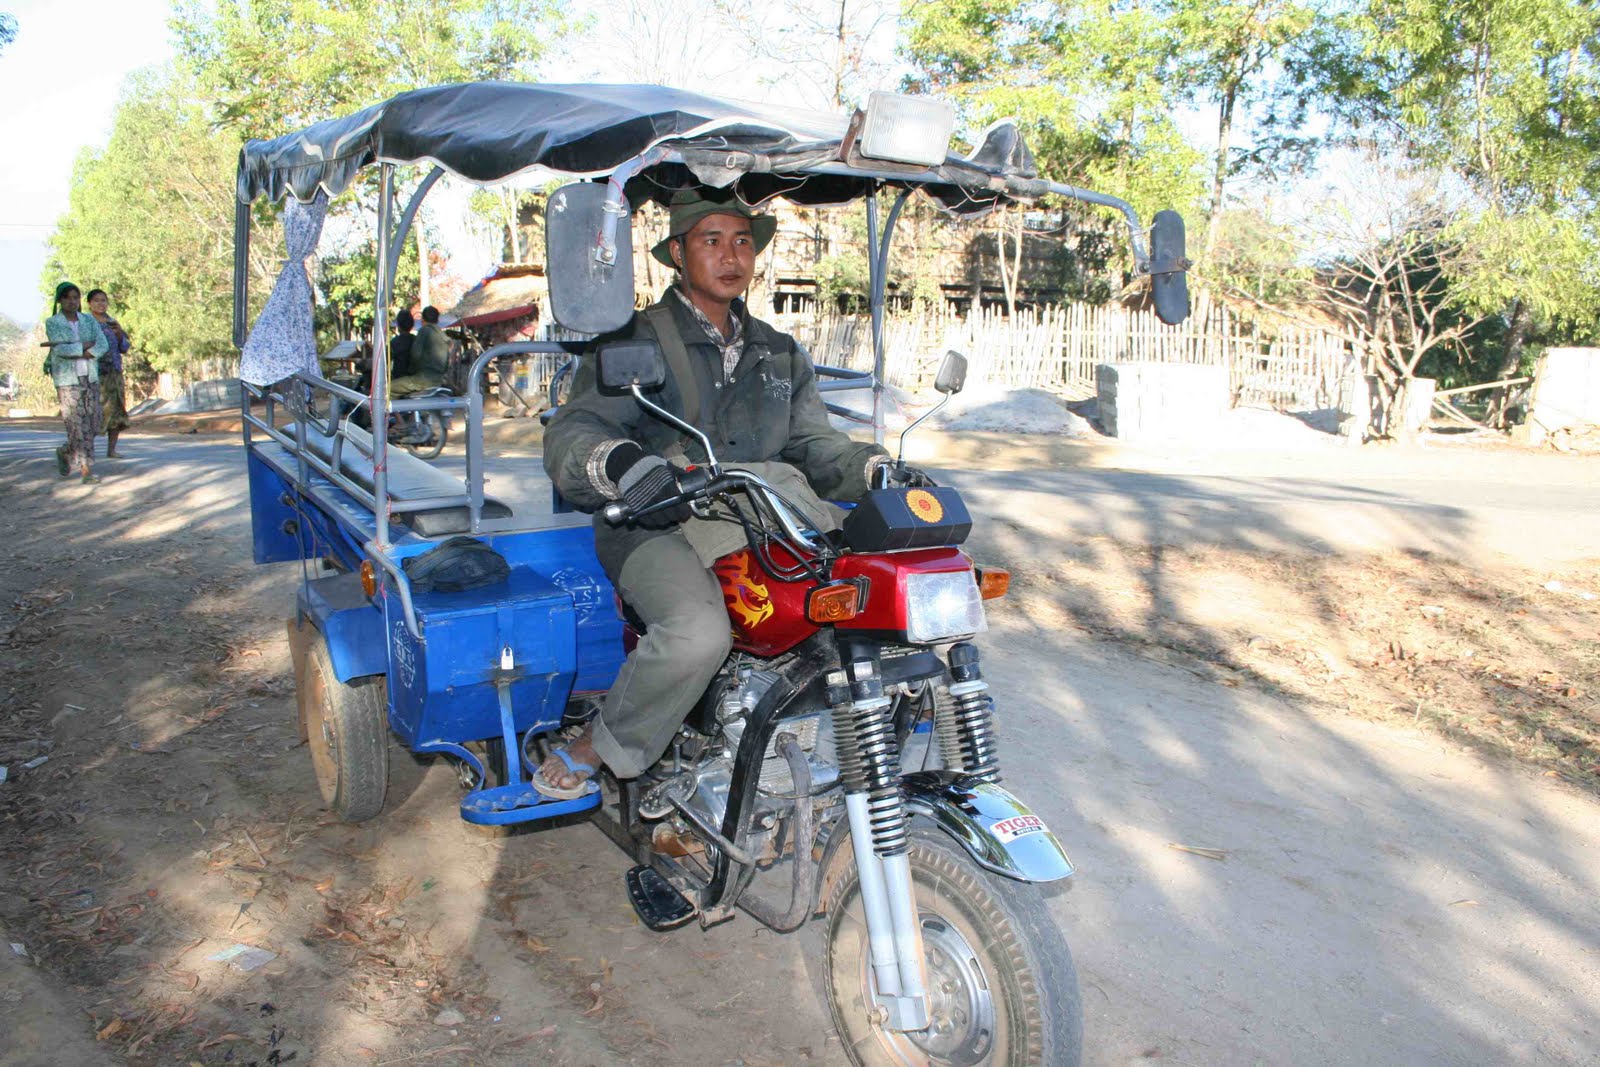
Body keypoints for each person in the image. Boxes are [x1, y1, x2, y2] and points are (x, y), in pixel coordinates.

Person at [536, 189, 894, 798]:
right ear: (678, 253)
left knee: (868, 602)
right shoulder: (634, 341)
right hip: (654, 521)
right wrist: (623, 463)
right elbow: (576, 429)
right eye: (711, 241)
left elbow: (813, 445)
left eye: (743, 241)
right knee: (699, 634)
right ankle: (600, 743)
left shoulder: (779, 351)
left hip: (766, 513)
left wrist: (876, 470)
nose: (731, 256)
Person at [42, 282, 108, 484]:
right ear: (60, 300)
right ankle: (86, 471)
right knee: (77, 426)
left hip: (90, 376)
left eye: (75, 297)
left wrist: (88, 351)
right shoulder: (54, 322)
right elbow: (60, 350)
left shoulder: (88, 320)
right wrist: (83, 347)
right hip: (67, 380)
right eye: (68, 297)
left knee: (94, 423)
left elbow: (102, 343)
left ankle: (66, 451)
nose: (72, 301)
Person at [86, 289, 130, 457]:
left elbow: (124, 347)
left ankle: (112, 449)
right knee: (98, 411)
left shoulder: (112, 322)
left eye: (103, 300)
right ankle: (83, 449)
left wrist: (119, 334)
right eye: (96, 300)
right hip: (95, 372)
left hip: (115, 372)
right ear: (89, 303)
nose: (100, 304)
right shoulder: (86, 322)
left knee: (117, 410)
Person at [389, 305, 448, 395]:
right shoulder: (442, 336)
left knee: (387, 389)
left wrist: (411, 371)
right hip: (438, 380)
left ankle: (392, 409)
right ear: (438, 320)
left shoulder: (424, 331)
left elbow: (415, 354)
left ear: (422, 320)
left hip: (422, 379)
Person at [390, 308, 415, 380]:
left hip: (399, 379)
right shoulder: (417, 340)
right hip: (416, 378)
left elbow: (385, 362)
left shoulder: (394, 342)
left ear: (398, 325)